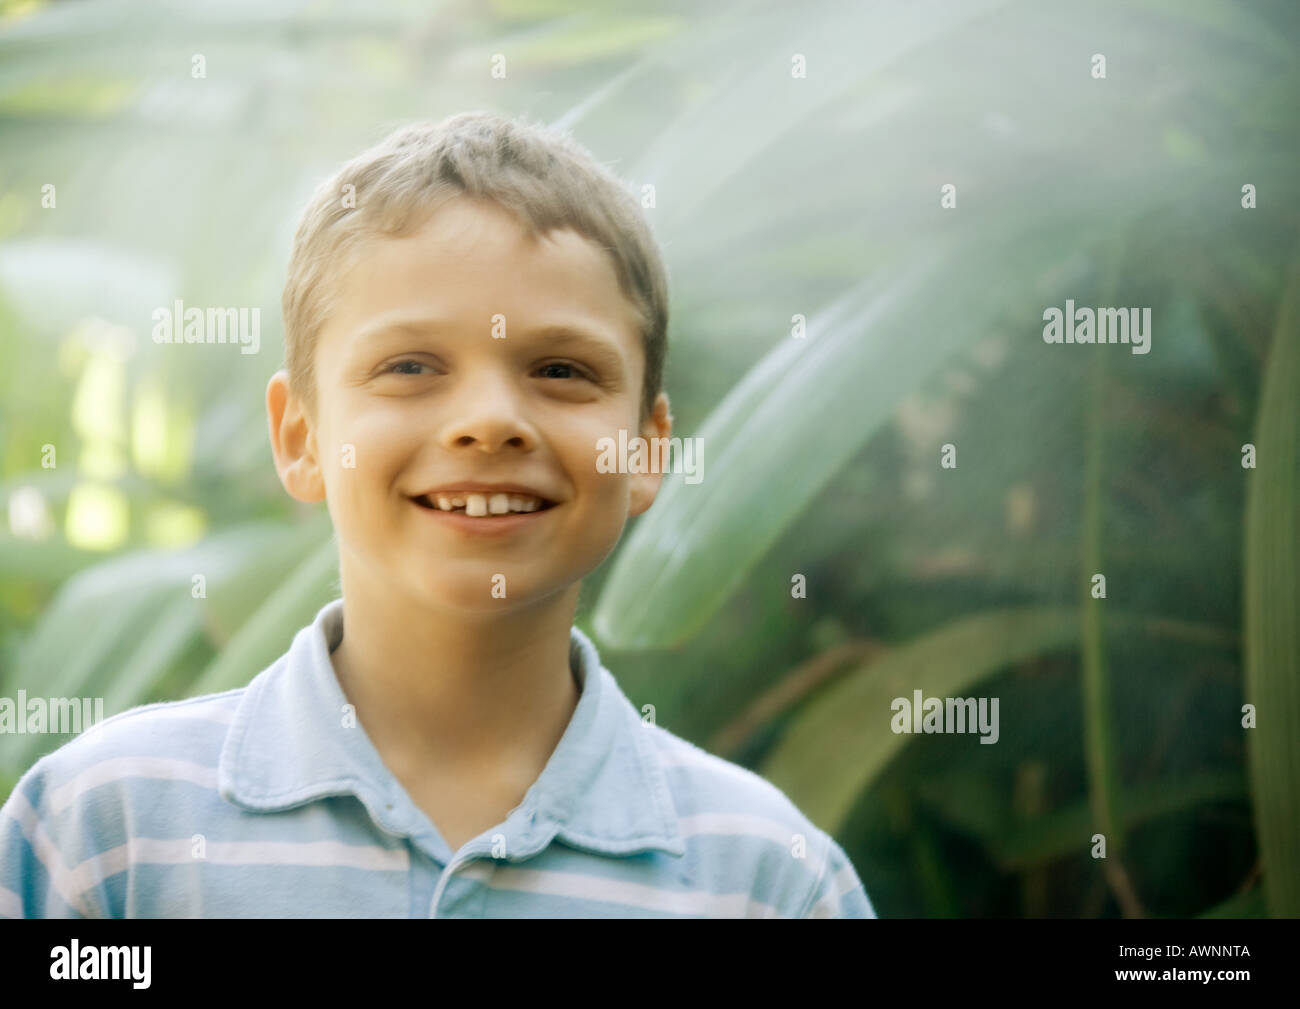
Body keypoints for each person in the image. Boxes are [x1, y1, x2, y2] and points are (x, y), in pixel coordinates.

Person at [0, 112, 875, 918]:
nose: (489, 420)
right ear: (300, 436)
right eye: (412, 366)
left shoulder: (768, 880)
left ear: (646, 448)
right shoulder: (102, 834)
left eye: (563, 370)